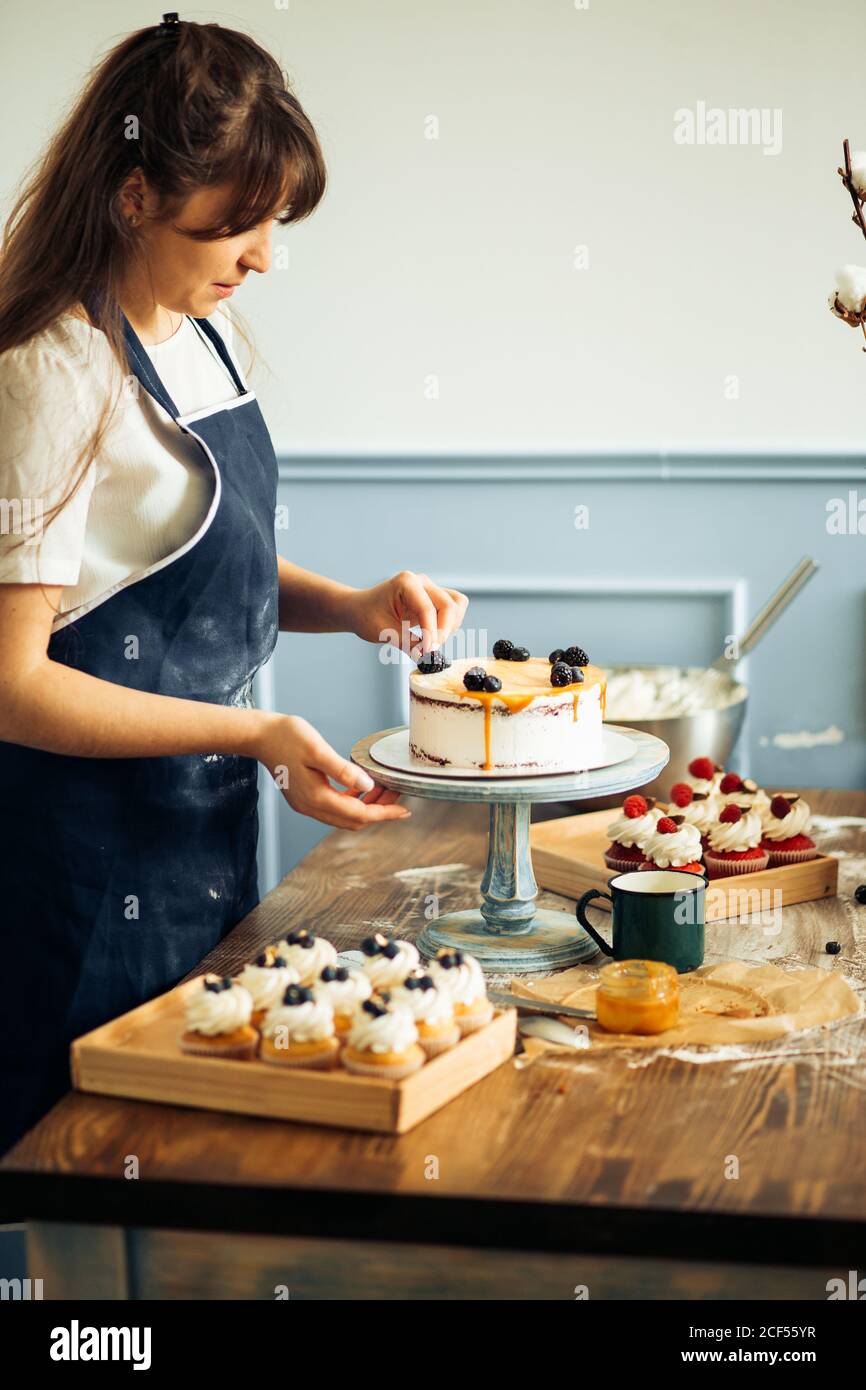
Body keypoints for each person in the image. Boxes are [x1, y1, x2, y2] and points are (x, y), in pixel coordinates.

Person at [0, 15, 467, 1154]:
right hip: (75, 873)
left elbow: (176, 564)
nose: (267, 256)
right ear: (134, 196)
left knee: (184, 1173)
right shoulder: (52, 374)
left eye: (274, 222)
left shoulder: (194, 334)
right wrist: (257, 729)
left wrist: (350, 603)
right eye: (240, 222)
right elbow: (13, 685)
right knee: (84, 1185)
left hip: (199, 844)